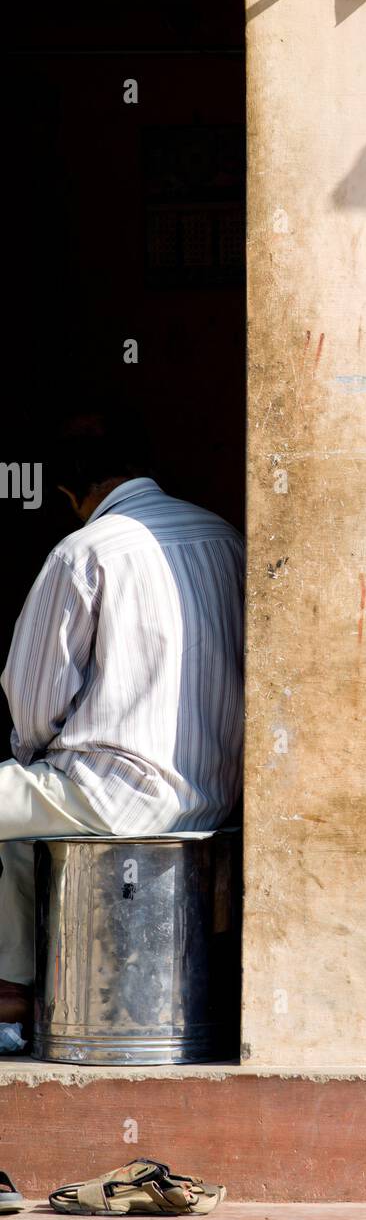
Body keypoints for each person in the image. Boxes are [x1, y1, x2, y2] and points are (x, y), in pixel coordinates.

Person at [0, 409, 244, 1027]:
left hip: (113, 798)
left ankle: (12, 989)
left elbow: (31, 703)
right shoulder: (226, 538)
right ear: (144, 465)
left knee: (16, 799)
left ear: (69, 492)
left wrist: (36, 760)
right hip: (217, 798)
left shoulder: (84, 551)